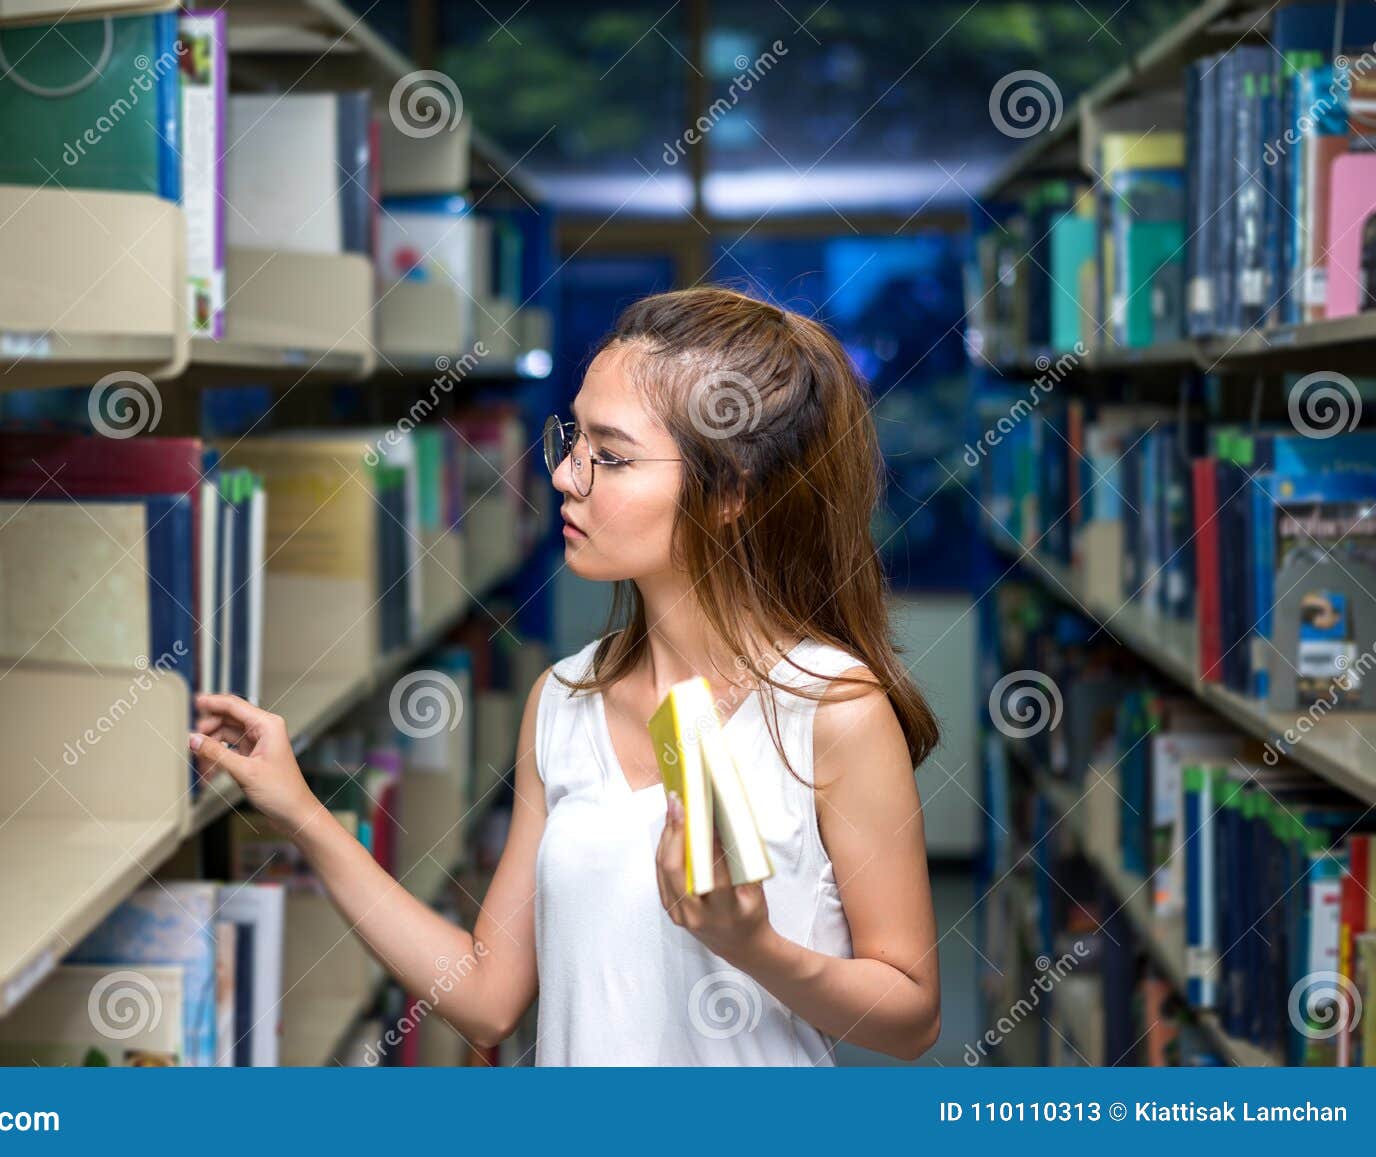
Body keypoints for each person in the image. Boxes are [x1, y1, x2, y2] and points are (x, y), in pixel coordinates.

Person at [191, 286, 943, 1066]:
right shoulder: (563, 701)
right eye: (573, 440)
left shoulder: (831, 708)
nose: (566, 477)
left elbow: (912, 1016)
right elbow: (487, 998)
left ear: (730, 493)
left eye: (611, 456)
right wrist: (304, 815)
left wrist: (752, 946)